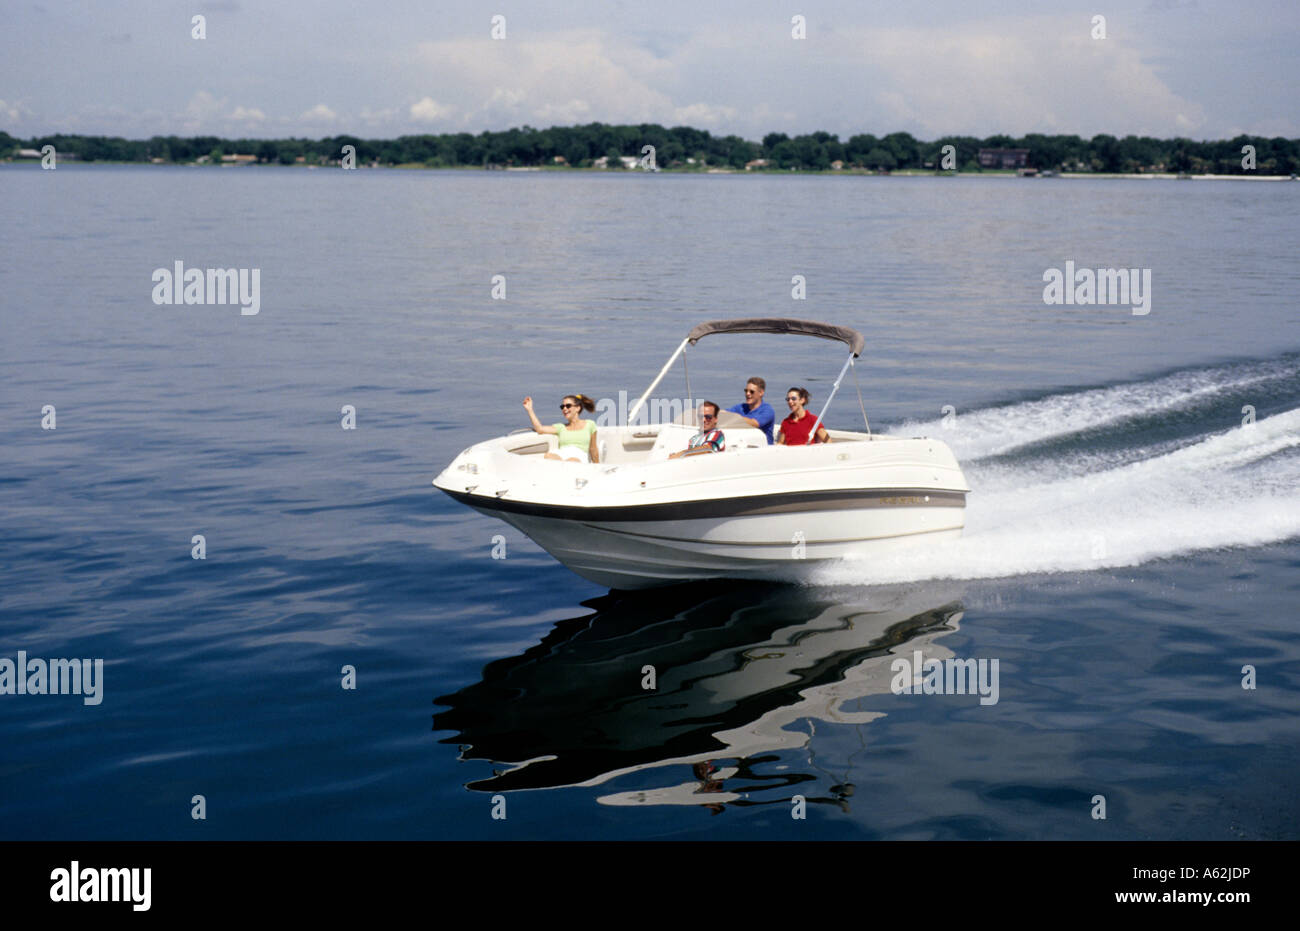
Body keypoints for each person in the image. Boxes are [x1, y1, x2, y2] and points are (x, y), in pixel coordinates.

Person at [522, 394, 599, 463]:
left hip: (579, 455)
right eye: (562, 407)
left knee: (571, 462)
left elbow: (593, 449)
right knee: (548, 456)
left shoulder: (590, 424)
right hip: (562, 454)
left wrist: (598, 467)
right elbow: (540, 429)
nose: (564, 409)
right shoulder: (561, 427)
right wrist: (530, 410)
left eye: (568, 406)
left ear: (577, 408)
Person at [726, 376, 776, 444]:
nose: (747, 394)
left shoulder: (767, 410)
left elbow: (755, 423)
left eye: (751, 392)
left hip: (764, 449)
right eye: (746, 391)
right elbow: (725, 413)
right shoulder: (740, 407)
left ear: (761, 393)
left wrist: (735, 417)